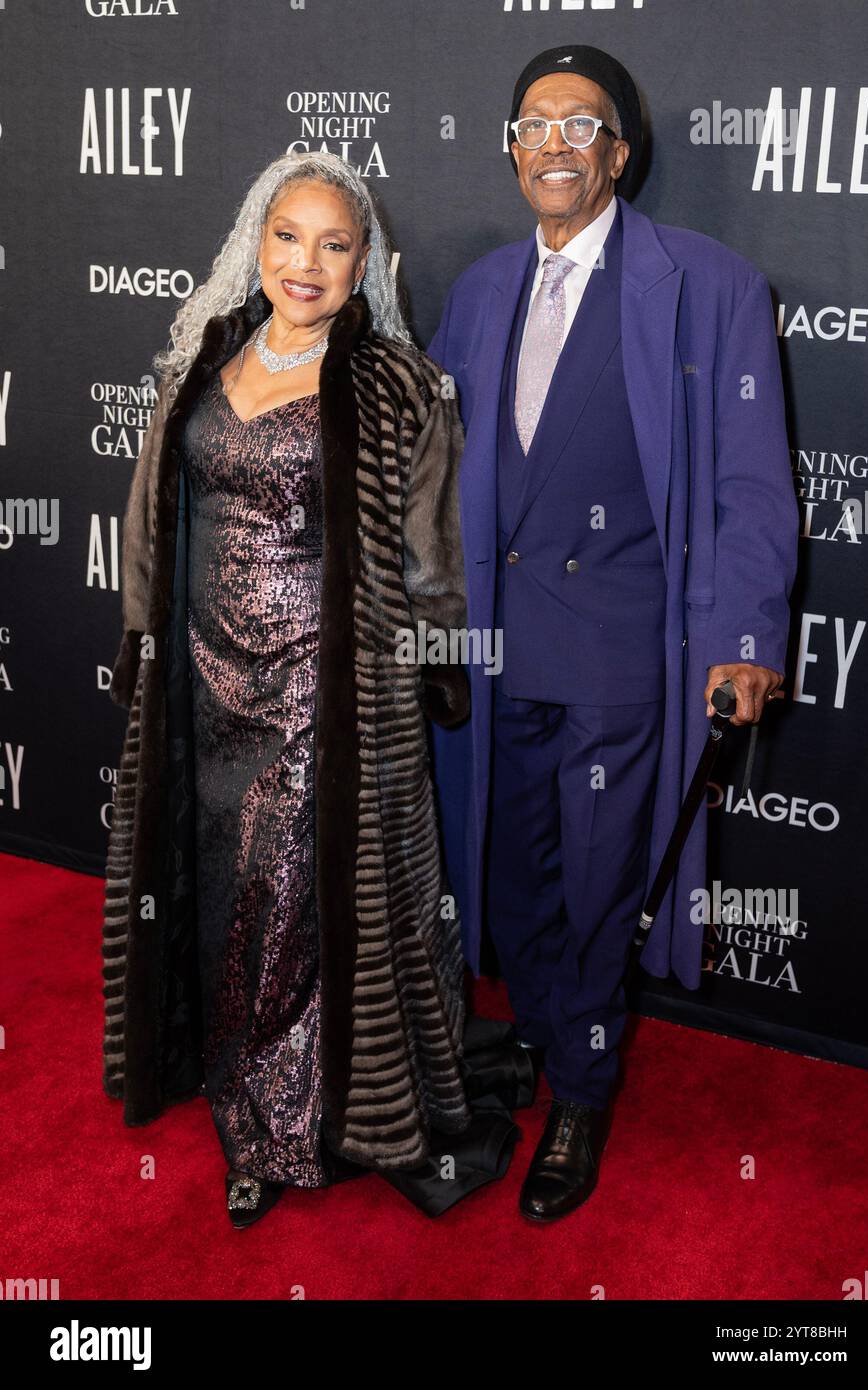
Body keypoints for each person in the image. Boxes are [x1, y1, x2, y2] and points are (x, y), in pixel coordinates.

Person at [100, 151, 529, 1228]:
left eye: (333, 245)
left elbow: (432, 548)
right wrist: (141, 635)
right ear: (259, 238)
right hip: (201, 685)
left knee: (286, 900)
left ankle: (294, 1129)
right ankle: (244, 1108)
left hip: (320, 693)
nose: (306, 262)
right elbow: (153, 503)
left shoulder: (392, 382)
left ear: (362, 263)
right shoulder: (204, 354)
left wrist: (436, 660)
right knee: (216, 895)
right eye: (289, 236)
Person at [427, 46, 799, 1223]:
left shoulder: (710, 285)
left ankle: (582, 1090)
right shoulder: (480, 291)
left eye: (581, 127)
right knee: (512, 874)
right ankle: (539, 1032)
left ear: (619, 157)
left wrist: (744, 633)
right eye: (533, 123)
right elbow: (433, 477)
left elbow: (751, 486)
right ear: (512, 149)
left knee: (597, 882)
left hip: (622, 656)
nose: (554, 144)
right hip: (492, 653)